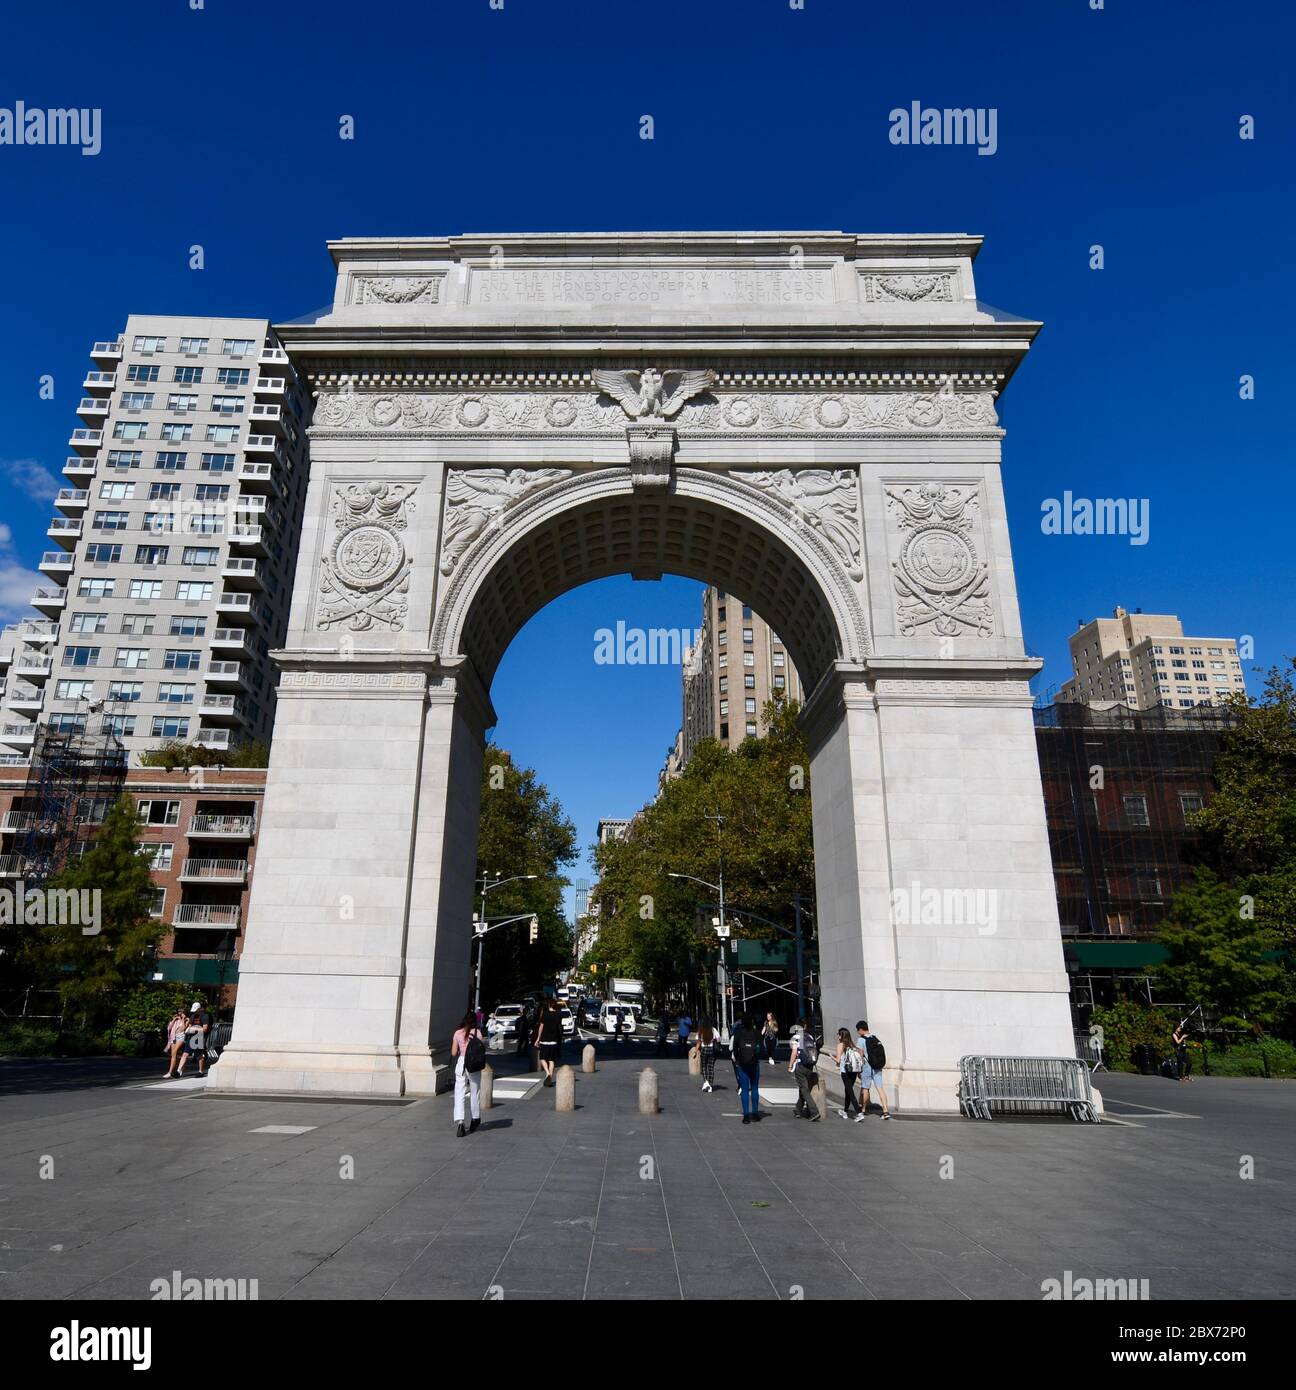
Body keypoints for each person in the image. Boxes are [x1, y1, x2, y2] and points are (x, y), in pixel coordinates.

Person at [450, 1009, 485, 1138]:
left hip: (461, 1063)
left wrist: (460, 1050)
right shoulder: (478, 1033)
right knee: (475, 1091)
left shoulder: (458, 1033)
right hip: (474, 1064)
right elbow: (482, 1049)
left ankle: (460, 1122)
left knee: (459, 1092)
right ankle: (475, 1118)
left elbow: (453, 1053)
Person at [856, 1020, 892, 1119]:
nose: (858, 1032)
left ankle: (863, 1110)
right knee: (880, 1088)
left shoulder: (861, 1040)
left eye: (858, 1030)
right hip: (877, 1067)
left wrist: (859, 1070)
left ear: (860, 1029)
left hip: (867, 1067)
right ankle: (885, 1111)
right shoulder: (875, 1038)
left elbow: (860, 1056)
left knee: (865, 1088)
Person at [730, 1013, 763, 1123]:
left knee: (744, 1089)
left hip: (742, 1065)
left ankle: (746, 1115)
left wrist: (738, 1060)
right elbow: (761, 1048)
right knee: (754, 1088)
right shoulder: (757, 1033)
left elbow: (734, 1048)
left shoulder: (738, 1033)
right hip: (754, 1064)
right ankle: (755, 1113)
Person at [788, 1018, 820, 1121]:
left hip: (800, 1066)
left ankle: (814, 1111)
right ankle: (798, 1110)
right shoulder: (810, 1036)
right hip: (810, 1066)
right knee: (803, 1087)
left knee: (804, 1089)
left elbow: (794, 1053)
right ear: (805, 1026)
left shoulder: (796, 1037)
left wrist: (790, 1065)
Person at [834, 1027, 864, 1120]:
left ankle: (859, 1113)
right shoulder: (852, 1045)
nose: (837, 1036)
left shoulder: (840, 1045)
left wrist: (832, 1057)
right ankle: (845, 1111)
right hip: (854, 1071)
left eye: (838, 1034)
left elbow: (838, 1061)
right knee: (848, 1090)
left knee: (850, 1092)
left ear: (841, 1035)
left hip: (845, 1071)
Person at [534, 995, 562, 1085]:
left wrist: (538, 1039)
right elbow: (559, 1027)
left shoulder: (545, 1014)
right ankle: (549, 1076)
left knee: (542, 1058)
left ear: (549, 1005)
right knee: (551, 1060)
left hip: (545, 1040)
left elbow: (541, 1027)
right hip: (554, 1040)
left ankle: (547, 1074)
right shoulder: (558, 1014)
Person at [175, 1003, 208, 1077]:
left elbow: (205, 1029)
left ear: (199, 1009)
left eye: (196, 1010)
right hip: (191, 1037)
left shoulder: (204, 1016)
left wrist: (194, 1029)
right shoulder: (192, 1016)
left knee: (198, 1055)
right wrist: (187, 1029)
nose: (194, 1012)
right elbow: (189, 1025)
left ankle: (200, 1071)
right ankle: (178, 1071)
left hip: (199, 1037)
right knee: (185, 1054)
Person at [163, 1008, 187, 1078]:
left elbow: (183, 1028)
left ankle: (170, 1072)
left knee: (175, 1052)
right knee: (174, 1055)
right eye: (179, 1011)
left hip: (181, 1037)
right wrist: (173, 1019)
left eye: (182, 1012)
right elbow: (169, 1028)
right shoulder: (175, 1020)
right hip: (173, 1037)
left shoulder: (186, 1019)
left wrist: (183, 1019)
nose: (180, 1013)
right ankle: (180, 1068)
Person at [696, 1017, 718, 1093]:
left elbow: (698, 1041)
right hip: (711, 1050)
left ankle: (706, 1082)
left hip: (703, 1050)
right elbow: (718, 1039)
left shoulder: (701, 1030)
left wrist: (695, 1051)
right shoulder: (713, 1029)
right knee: (711, 1067)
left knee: (704, 1067)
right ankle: (710, 1085)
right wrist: (713, 1040)